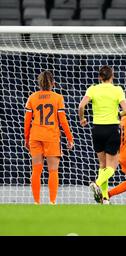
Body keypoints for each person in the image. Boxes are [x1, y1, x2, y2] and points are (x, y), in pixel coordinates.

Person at [78, 65, 126, 204]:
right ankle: (97, 183)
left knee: (102, 165)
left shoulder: (93, 89)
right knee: (113, 165)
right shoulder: (117, 90)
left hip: (97, 129)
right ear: (112, 76)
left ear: (100, 77)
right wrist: (118, 113)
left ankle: (105, 198)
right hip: (112, 128)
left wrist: (82, 119)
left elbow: (81, 106)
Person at [24, 70, 74, 204]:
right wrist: (70, 138)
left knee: (36, 169)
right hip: (51, 137)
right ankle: (52, 202)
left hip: (35, 136)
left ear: (39, 83)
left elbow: (27, 121)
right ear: (53, 83)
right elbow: (63, 121)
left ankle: (36, 202)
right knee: (53, 171)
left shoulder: (32, 97)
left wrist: (26, 138)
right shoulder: (58, 98)